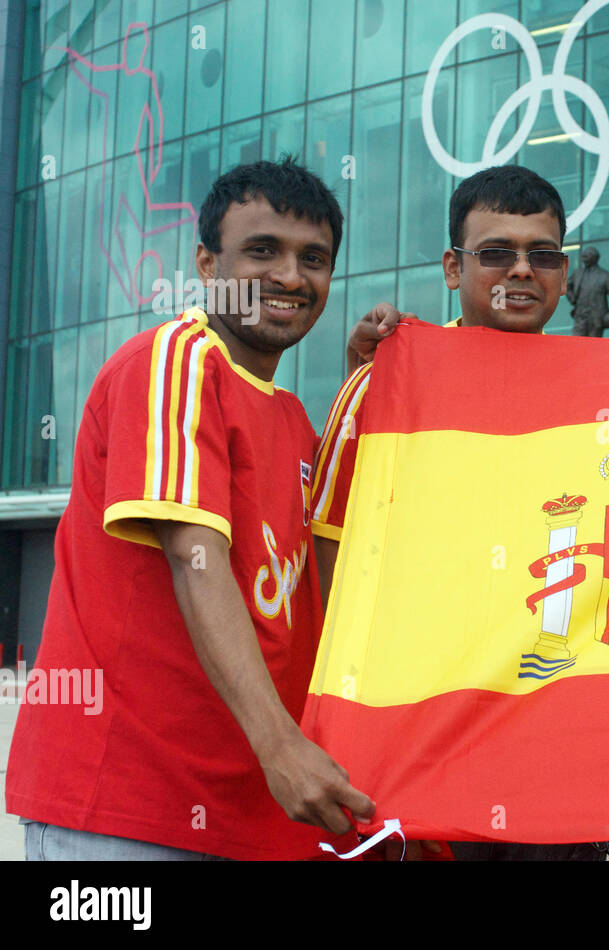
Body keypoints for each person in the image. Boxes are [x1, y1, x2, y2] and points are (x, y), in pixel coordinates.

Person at [6, 157, 394, 861]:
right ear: (207, 265)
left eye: (314, 258)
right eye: (262, 250)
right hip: (128, 813)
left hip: (257, 818)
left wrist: (367, 381)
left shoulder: (295, 419)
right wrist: (280, 745)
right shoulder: (174, 362)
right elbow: (198, 556)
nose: (289, 276)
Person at [312, 164, 609, 861]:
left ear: (564, 276)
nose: (520, 271)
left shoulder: (600, 403)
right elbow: (329, 572)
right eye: (495, 253)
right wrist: (371, 753)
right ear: (453, 267)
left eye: (542, 255)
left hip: (562, 767)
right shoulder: (384, 387)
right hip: (428, 764)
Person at [565, 245, 609, 337]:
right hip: (580, 315)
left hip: (597, 316)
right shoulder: (577, 273)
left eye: (586, 256)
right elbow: (567, 286)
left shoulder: (605, 275)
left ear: (595, 257)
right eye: (583, 256)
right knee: (576, 343)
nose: (584, 259)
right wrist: (572, 299)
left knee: (593, 345)